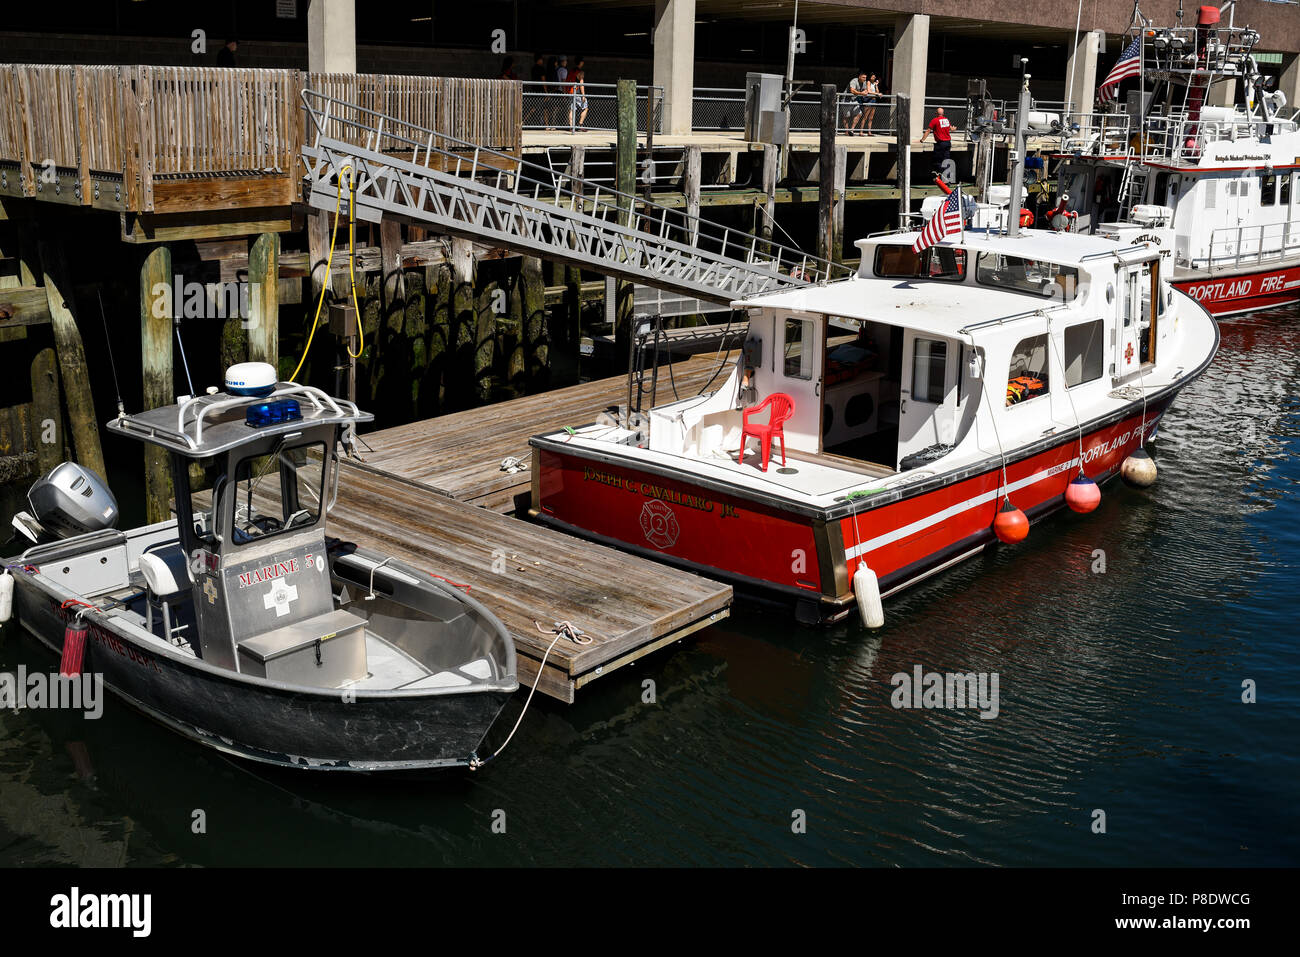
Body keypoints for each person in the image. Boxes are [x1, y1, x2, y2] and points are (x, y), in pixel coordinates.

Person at [920, 106, 953, 176]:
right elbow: (950, 128)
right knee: (946, 160)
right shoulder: (946, 120)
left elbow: (928, 130)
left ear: (936, 113)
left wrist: (922, 140)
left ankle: (938, 175)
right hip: (948, 143)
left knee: (937, 160)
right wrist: (954, 128)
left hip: (941, 143)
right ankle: (947, 178)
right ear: (943, 113)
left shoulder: (935, 120)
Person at [847, 70, 870, 136]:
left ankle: (851, 130)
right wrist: (861, 93)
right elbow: (852, 90)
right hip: (847, 99)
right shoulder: (854, 81)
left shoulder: (864, 82)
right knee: (847, 116)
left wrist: (865, 92)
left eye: (865, 77)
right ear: (859, 77)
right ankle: (846, 131)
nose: (865, 79)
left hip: (855, 100)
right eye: (863, 77)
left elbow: (866, 90)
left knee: (859, 114)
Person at [568, 59, 588, 131]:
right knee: (585, 108)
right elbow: (581, 84)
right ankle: (580, 124)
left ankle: (571, 126)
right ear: (581, 63)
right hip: (577, 92)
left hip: (571, 92)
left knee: (572, 109)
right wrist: (583, 95)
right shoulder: (580, 72)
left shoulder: (571, 71)